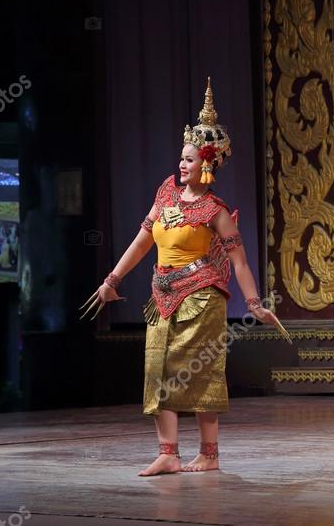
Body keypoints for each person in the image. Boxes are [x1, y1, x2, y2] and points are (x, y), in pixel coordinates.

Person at [89, 79, 276, 475]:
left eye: (189, 159)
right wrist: (113, 280)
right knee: (157, 369)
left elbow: (239, 262)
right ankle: (168, 453)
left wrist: (254, 303)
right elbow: (141, 243)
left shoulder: (215, 210)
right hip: (161, 294)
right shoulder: (164, 195)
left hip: (202, 296)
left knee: (200, 371)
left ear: (206, 164)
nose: (181, 165)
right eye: (181, 158)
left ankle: (209, 454)